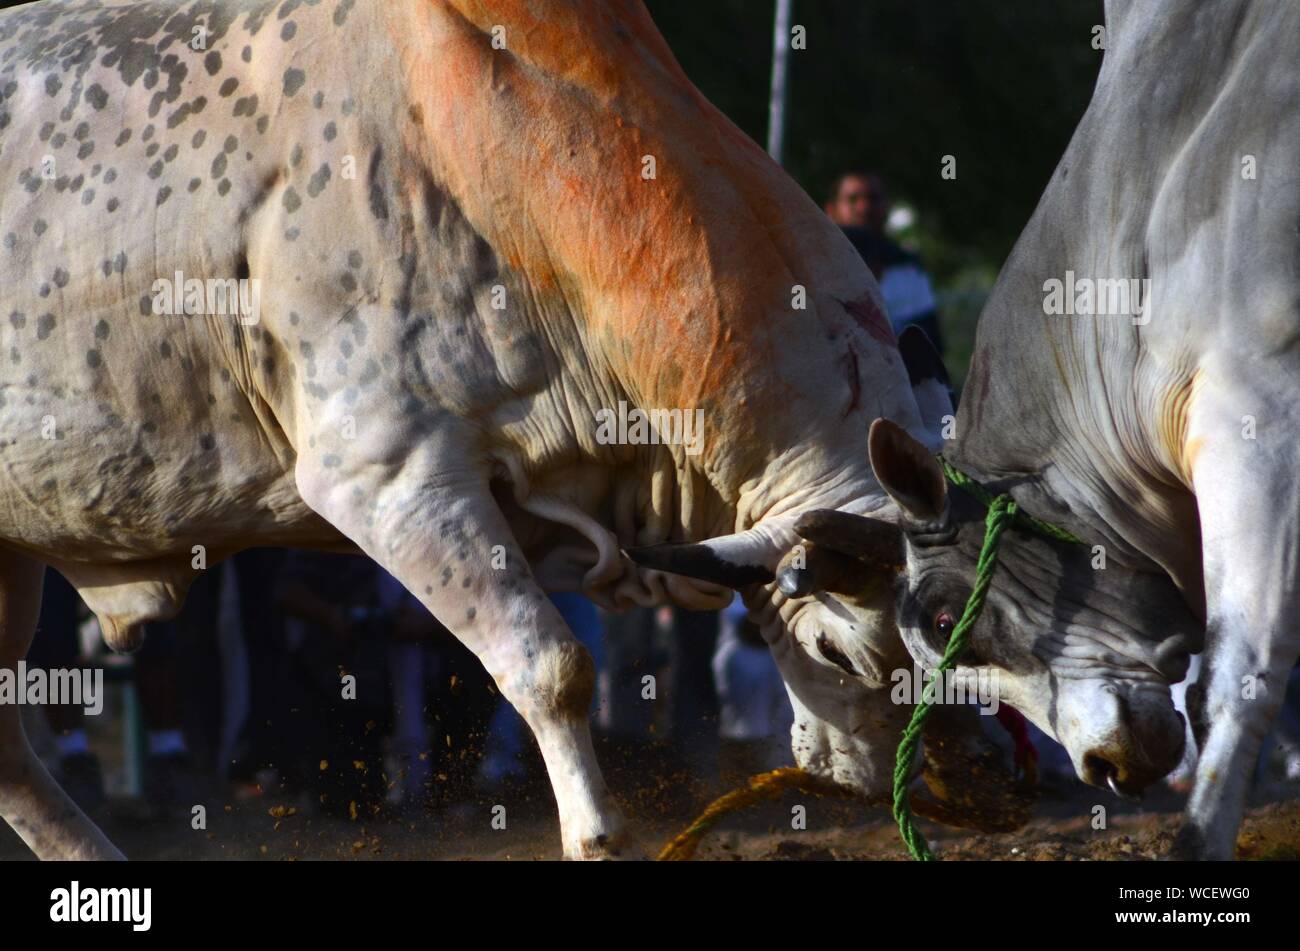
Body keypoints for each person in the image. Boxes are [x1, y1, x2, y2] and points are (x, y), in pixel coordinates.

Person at [825, 170, 944, 352]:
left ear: (886, 207)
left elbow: (929, 343)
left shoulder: (908, 268)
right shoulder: (812, 270)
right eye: (852, 199)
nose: (863, 207)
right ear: (831, 210)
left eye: (873, 198)